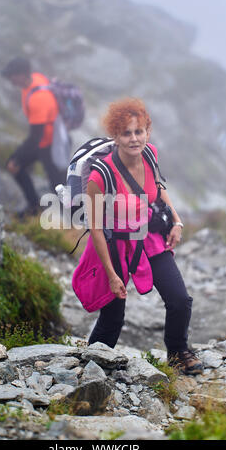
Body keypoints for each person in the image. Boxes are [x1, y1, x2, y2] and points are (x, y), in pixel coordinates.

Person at [84, 98, 203, 376]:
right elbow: (96, 229)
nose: (134, 139)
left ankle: (177, 352)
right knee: (113, 316)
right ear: (115, 135)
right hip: (114, 245)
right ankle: (92, 367)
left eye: (139, 131)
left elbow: (159, 187)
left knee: (180, 300)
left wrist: (176, 220)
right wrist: (112, 275)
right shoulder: (99, 177)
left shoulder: (150, 155)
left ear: (147, 131)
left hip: (148, 238)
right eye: (127, 133)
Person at [1, 57, 67, 218]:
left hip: (50, 145)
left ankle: (74, 219)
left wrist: (17, 157)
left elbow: (35, 138)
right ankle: (34, 207)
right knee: (16, 167)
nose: (10, 79)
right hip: (43, 142)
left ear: (22, 75)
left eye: (12, 75)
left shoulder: (39, 99)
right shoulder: (35, 79)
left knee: (58, 185)